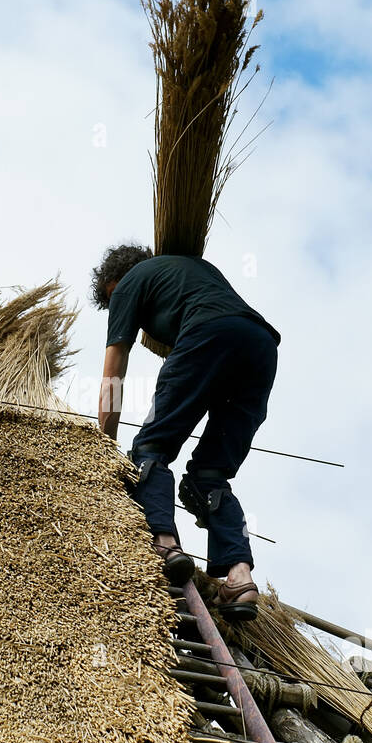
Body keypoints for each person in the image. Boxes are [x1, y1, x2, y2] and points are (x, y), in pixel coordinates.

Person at [92, 244, 280, 621]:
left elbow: (113, 371)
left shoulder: (127, 285)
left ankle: (164, 543)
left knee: (149, 449)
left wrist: (104, 445)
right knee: (208, 478)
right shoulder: (192, 268)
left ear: (115, 283)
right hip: (260, 346)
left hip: (207, 336)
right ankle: (239, 576)